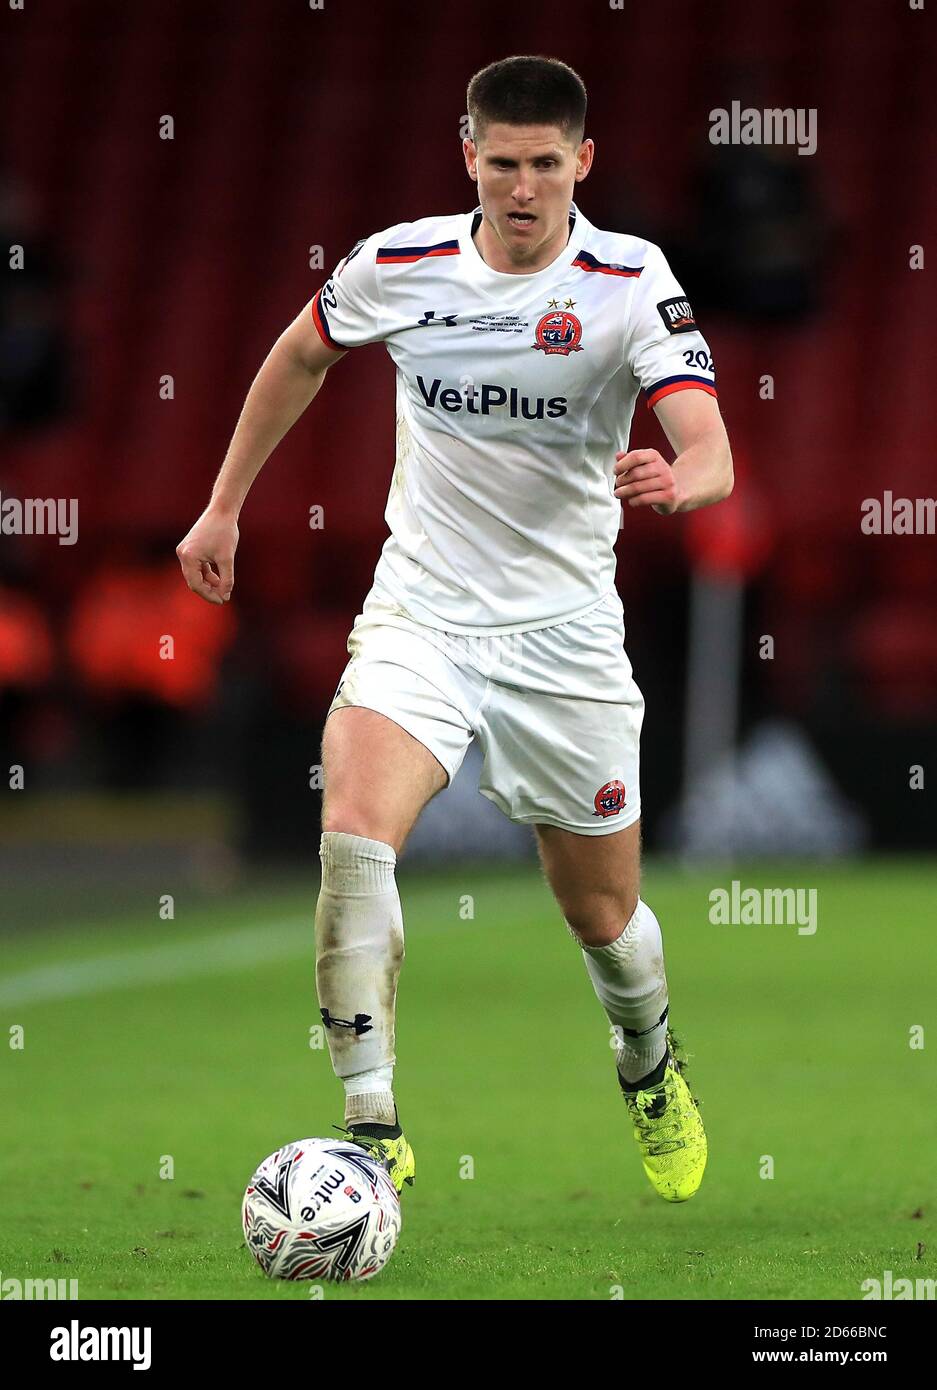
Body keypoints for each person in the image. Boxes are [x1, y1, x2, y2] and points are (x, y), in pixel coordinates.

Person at [176, 54, 733, 1205]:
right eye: (501, 162)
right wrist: (224, 501)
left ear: (582, 162)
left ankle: (647, 1063)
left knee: (603, 916)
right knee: (352, 832)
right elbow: (300, 353)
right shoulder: (400, 262)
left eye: (543, 165)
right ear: (465, 153)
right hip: (421, 611)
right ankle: (370, 1125)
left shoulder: (630, 279)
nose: (521, 188)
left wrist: (686, 479)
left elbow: (710, 439)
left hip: (564, 637)